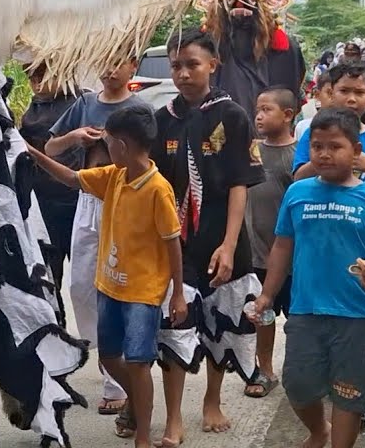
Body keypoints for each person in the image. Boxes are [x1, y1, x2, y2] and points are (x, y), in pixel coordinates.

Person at [27, 105, 188, 448]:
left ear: (124, 146)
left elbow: (173, 243)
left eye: (110, 142)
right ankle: (139, 399)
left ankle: (143, 436)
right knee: (109, 356)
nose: (105, 149)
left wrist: (177, 294)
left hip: (143, 293)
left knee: (139, 360)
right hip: (109, 286)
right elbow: (72, 178)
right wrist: (32, 152)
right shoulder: (114, 176)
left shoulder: (158, 189)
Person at [250, 108, 365, 448]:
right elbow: (281, 246)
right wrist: (266, 295)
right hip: (305, 311)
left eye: (335, 146)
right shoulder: (298, 192)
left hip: (356, 315)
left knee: (348, 394)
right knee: (298, 385)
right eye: (317, 146)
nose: (324, 153)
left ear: (357, 152)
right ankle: (319, 431)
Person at [152, 28, 264, 446]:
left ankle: (212, 401)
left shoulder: (232, 115)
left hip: (222, 237)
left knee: (222, 322)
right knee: (173, 324)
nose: (182, 73)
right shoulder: (163, 119)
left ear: (213, 65)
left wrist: (230, 244)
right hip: (176, 243)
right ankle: (173, 416)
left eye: (192, 64)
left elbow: (239, 184)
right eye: (176, 66)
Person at [45, 56, 149, 415]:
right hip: (87, 200)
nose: (111, 69)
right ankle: (108, 360)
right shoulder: (85, 104)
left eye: (120, 62)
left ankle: (117, 380)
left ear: (133, 67)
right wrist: (73, 137)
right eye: (105, 61)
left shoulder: (139, 108)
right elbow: (50, 148)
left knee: (113, 285)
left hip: (123, 202)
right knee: (80, 285)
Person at [243, 87, 299, 399]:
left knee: (297, 318)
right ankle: (264, 370)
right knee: (261, 316)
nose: (259, 116)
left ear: (288, 115)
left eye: (267, 110)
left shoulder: (299, 155)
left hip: (290, 255)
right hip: (255, 251)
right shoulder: (251, 151)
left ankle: (299, 371)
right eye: (258, 109)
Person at [19, 66, 85, 326]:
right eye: (31, 78)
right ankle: (57, 327)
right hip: (44, 202)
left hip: (79, 200)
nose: (36, 83)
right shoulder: (30, 113)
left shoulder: (81, 103)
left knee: (86, 273)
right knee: (49, 271)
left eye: (41, 77)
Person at [291, 61, 365, 198]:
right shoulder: (313, 134)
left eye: (359, 92)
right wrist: (324, 159)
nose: (351, 99)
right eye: (344, 91)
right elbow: (297, 180)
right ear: (331, 94)